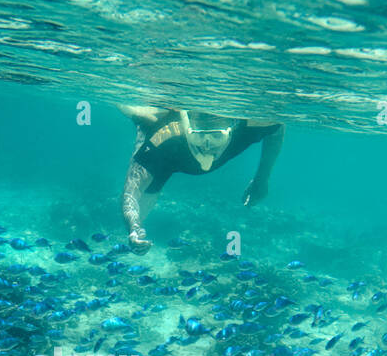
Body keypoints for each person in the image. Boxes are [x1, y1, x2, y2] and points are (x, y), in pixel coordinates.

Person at [117, 105, 285, 253]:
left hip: (175, 153)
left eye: (217, 136)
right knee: (146, 120)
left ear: (231, 130)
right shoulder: (166, 136)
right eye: (198, 136)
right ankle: (142, 125)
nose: (206, 146)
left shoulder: (244, 127)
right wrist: (134, 227)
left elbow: (277, 127)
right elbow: (131, 192)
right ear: (186, 129)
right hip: (168, 154)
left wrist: (262, 178)